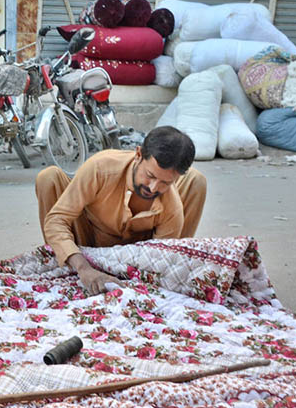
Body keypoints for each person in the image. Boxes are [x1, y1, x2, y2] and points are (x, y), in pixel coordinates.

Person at [35, 125, 207, 295]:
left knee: (197, 180)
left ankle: (180, 257)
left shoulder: (172, 207)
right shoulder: (101, 168)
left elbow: (157, 259)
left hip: (138, 257)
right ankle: (65, 260)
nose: (154, 188)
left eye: (166, 183)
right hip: (87, 242)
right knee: (48, 177)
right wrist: (83, 268)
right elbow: (56, 221)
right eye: (150, 176)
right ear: (138, 155)